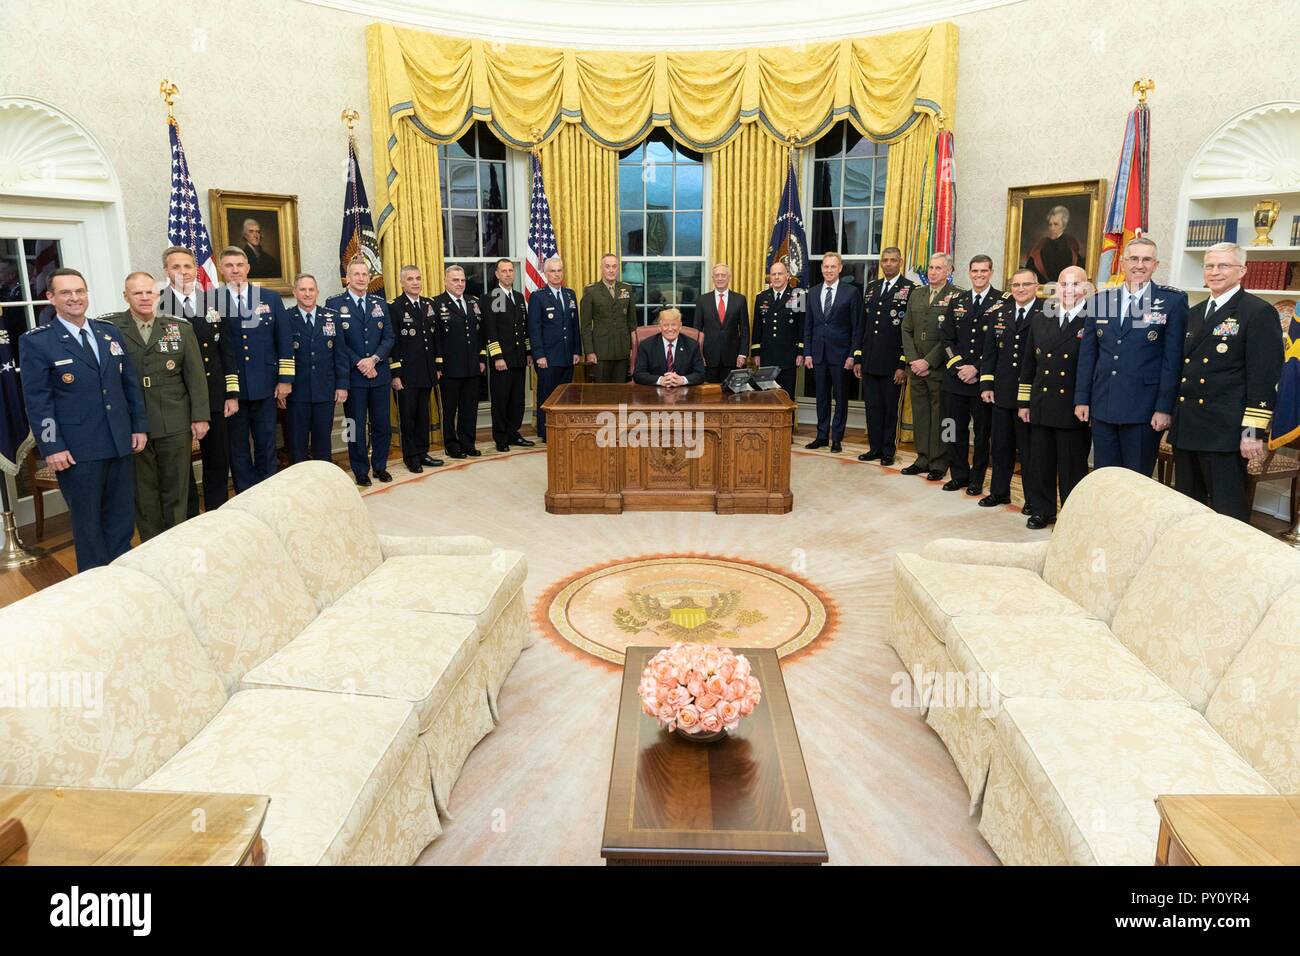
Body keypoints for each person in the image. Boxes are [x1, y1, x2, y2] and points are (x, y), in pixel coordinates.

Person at [20, 268, 147, 570]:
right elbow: (38, 401)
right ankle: (95, 588)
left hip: (119, 441)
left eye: (79, 291)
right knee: (88, 524)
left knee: (121, 517)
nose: (74, 298)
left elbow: (129, 384)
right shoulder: (38, 342)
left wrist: (139, 426)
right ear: (51, 297)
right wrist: (51, 447)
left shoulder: (109, 333)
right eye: (65, 292)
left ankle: (121, 577)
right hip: (77, 450)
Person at [1168, 242, 1284, 521]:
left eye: (1223, 265)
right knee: (1188, 507)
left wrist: (1252, 434)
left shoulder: (1257, 312)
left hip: (1225, 433)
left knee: (1227, 512)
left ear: (1242, 270)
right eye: (1209, 265)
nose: (1215, 272)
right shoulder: (1193, 314)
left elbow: (1264, 378)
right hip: (1188, 427)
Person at [107, 272, 208, 540]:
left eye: (148, 292)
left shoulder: (180, 328)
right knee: (144, 489)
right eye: (137, 292)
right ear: (125, 296)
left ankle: (178, 541)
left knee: (177, 486)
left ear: (158, 294)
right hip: (133, 422)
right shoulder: (110, 329)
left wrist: (200, 417)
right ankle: (151, 542)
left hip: (173, 417)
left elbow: (195, 376)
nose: (144, 297)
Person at [1074, 237, 1187, 476]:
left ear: (1156, 265)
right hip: (1103, 404)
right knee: (1105, 477)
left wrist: (1164, 408)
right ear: (1122, 263)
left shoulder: (1172, 302)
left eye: (1147, 259)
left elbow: (1172, 359)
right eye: (1133, 258)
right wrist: (1082, 398)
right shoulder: (1100, 300)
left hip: (1144, 410)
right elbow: (1088, 355)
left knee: (1136, 480)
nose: (1139, 265)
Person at [160, 245, 237, 513]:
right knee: (181, 466)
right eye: (176, 267)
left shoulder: (214, 302)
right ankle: (190, 517)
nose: (183, 272)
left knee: (217, 460)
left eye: (188, 266)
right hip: (177, 399)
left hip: (214, 394)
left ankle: (216, 514)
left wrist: (231, 393)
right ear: (166, 271)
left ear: (197, 269)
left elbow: (226, 350)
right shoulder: (158, 306)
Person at [1017, 266, 1092, 528]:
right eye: (1063, 284)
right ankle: (1042, 510)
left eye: (1075, 284)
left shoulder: (1093, 318)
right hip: (1041, 401)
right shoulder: (1041, 317)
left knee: (1072, 466)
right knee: (1041, 462)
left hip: (1072, 405)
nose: (1068, 290)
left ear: (1087, 287)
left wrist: (1086, 401)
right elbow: (1029, 364)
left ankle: (1071, 517)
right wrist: (1024, 402)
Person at [218, 245, 292, 491]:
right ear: (221, 269)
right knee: (237, 448)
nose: (235, 270)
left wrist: (285, 379)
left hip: (265, 385)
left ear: (248, 268)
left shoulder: (269, 298)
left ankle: (267, 492)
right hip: (233, 389)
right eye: (229, 265)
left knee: (266, 443)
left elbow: (283, 340)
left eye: (239, 265)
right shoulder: (212, 302)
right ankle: (245, 494)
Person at [326, 256, 394, 486]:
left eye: (365, 274)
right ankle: (360, 469)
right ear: (347, 278)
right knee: (353, 426)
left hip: (379, 375)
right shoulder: (334, 304)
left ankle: (380, 466)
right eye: (356, 274)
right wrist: (361, 363)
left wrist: (373, 360)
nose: (362, 278)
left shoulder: (379, 302)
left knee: (382, 424)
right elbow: (337, 342)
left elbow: (389, 337)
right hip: (353, 378)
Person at [938, 254, 1001, 494]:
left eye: (984, 271)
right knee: (951, 428)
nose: (979, 275)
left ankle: (976, 479)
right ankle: (958, 474)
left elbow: (998, 343)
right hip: (955, 381)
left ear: (991, 273)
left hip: (981, 382)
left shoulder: (1001, 301)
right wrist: (959, 367)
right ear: (969, 272)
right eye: (975, 271)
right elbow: (946, 339)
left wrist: (976, 367)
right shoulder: (957, 300)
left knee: (982, 433)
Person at [979, 268, 1040, 508]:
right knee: (1001, 446)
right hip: (1002, 392)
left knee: (1029, 452)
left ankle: (1032, 500)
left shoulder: (1046, 312)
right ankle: (999, 491)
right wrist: (986, 384)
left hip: (1030, 394)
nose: (1021, 289)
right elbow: (989, 353)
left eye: (1026, 284)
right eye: (1016, 285)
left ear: (1036, 286)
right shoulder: (999, 313)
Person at [899, 253, 957, 478]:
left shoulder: (956, 296)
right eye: (931, 268)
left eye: (938, 268)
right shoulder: (917, 294)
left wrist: (928, 361)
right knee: (921, 414)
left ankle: (940, 462)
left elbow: (951, 337)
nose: (933, 272)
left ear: (949, 271)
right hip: (916, 368)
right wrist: (914, 360)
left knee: (942, 416)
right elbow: (906, 329)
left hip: (939, 368)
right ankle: (922, 457)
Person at [856, 246, 914, 465]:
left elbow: (909, 331)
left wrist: (903, 363)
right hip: (870, 359)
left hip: (893, 363)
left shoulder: (909, 289)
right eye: (885, 260)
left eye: (892, 260)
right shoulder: (872, 287)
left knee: (891, 409)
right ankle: (875, 448)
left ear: (899, 262)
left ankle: (889, 450)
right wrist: (859, 357)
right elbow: (864, 326)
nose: (888, 264)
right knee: (873, 407)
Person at [802, 252, 863, 453]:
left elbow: (857, 327)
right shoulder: (812, 292)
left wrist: (853, 354)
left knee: (841, 397)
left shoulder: (851, 292)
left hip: (842, 355)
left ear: (840, 268)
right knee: (821, 397)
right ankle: (821, 436)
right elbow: (808, 326)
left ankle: (836, 438)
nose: (829, 270)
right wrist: (808, 353)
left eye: (832, 267)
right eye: (826, 267)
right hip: (818, 355)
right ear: (821, 269)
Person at [283, 273, 347, 464]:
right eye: (303, 289)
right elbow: (280, 355)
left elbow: (341, 354)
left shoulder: (332, 317)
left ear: (317, 292)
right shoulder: (286, 318)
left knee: (323, 443)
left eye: (311, 289)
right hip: (296, 393)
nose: (307, 293)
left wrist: (342, 385)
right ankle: (300, 486)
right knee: (297, 444)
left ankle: (323, 483)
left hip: (324, 390)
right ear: (295, 292)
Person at [388, 265, 443, 471]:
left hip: (427, 370)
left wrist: (437, 364)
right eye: (410, 279)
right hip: (406, 374)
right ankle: (410, 457)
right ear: (402, 282)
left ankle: (423, 452)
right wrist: (396, 373)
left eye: (418, 278)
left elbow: (435, 336)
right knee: (408, 417)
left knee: (423, 415)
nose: (415, 282)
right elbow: (393, 343)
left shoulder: (428, 304)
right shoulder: (394, 306)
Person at [431, 264, 486, 459]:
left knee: (470, 408)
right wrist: (438, 364)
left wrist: (481, 358)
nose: (460, 284)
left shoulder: (473, 302)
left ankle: (467, 443)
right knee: (450, 409)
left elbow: (480, 334)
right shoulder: (436, 304)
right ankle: (452, 445)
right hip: (449, 367)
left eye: (462, 280)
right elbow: (435, 338)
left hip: (472, 365)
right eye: (455, 280)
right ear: (445, 281)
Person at [526, 256, 580, 441]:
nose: (557, 274)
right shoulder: (538, 297)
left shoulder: (570, 294)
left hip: (567, 356)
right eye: (553, 271)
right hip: (548, 358)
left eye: (559, 270)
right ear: (546, 274)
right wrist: (539, 355)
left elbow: (575, 326)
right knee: (547, 396)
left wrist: (576, 351)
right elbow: (534, 329)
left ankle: (563, 430)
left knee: (565, 396)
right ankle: (546, 432)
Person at [484, 258, 533, 451]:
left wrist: (528, 352)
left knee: (517, 400)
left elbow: (523, 328)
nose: (507, 274)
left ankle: (514, 432)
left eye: (510, 270)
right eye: (503, 271)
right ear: (496, 274)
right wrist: (497, 357)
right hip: (502, 360)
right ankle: (501, 438)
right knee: (501, 401)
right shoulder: (493, 297)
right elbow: (491, 330)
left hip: (519, 358)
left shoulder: (519, 297)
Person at [750, 260, 803, 430]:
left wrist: (801, 351)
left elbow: (802, 326)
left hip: (789, 355)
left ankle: (787, 431)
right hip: (767, 355)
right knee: (767, 394)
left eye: (780, 273)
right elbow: (757, 327)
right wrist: (756, 353)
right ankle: (767, 429)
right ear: (770, 277)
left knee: (786, 395)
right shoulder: (761, 297)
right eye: (773, 274)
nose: (777, 277)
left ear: (788, 276)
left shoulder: (798, 296)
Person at [580, 253, 637, 383]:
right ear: (601, 268)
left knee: (621, 392)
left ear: (618, 269)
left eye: (614, 266)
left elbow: (632, 322)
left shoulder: (626, 289)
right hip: (601, 352)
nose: (611, 270)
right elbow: (586, 326)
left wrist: (632, 349)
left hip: (622, 350)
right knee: (602, 393)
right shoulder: (591, 291)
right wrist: (589, 352)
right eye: (607, 266)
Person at [693, 263, 749, 384]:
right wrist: (698, 354)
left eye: (723, 275)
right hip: (708, 358)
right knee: (710, 396)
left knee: (731, 395)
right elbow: (696, 331)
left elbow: (745, 330)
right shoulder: (702, 300)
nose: (720, 278)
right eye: (717, 275)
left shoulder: (740, 300)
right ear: (712, 278)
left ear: (729, 277)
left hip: (732, 358)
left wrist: (743, 354)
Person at [633, 308, 705, 386]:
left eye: (673, 324)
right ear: (660, 327)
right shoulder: (646, 345)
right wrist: (660, 380)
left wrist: (682, 380)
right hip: (653, 392)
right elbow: (638, 374)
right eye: (666, 325)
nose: (670, 329)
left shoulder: (692, 345)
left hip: (684, 391)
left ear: (680, 326)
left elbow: (700, 374)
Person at [1023, 204, 1083, 285]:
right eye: (1050, 224)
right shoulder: (1042, 245)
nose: (1052, 228)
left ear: (1064, 226)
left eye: (1056, 224)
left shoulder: (1070, 247)